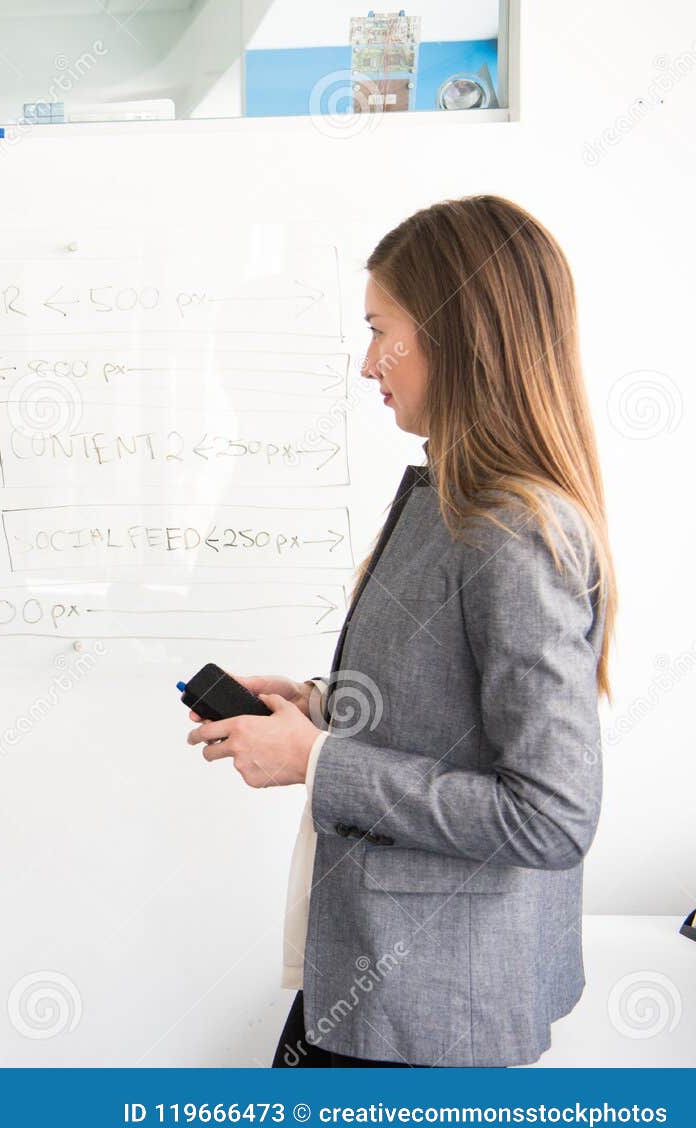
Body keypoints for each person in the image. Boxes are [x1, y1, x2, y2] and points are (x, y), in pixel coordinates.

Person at [185, 196, 616, 1067]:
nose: (368, 362)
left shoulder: (515, 530)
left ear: (462, 336)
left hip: (430, 1011)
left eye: (385, 331)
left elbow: (552, 815)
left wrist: (315, 761)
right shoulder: (445, 497)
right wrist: (315, 706)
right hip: (376, 978)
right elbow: (443, 699)